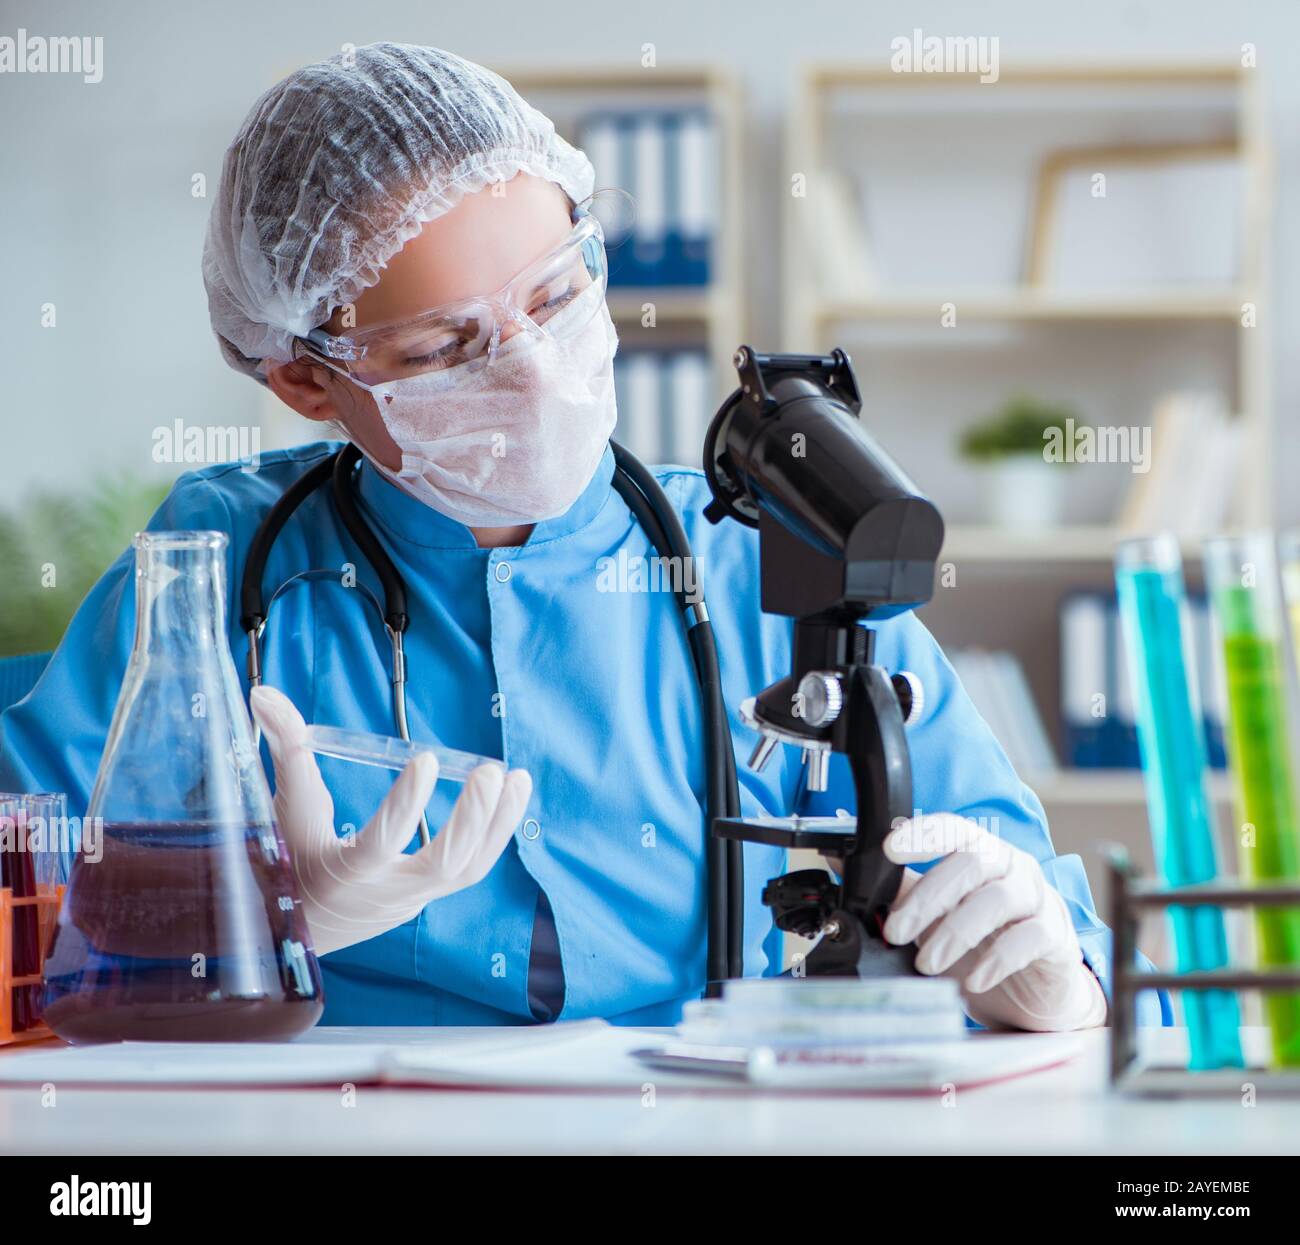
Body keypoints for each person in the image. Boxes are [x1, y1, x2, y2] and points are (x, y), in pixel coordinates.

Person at [0, 42, 1165, 1030]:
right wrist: (246, 921)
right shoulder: (225, 570)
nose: (531, 370)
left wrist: (1055, 982)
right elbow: (23, 917)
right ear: (307, 380)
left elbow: (1061, 942)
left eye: (554, 296)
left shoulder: (767, 560)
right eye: (440, 348)